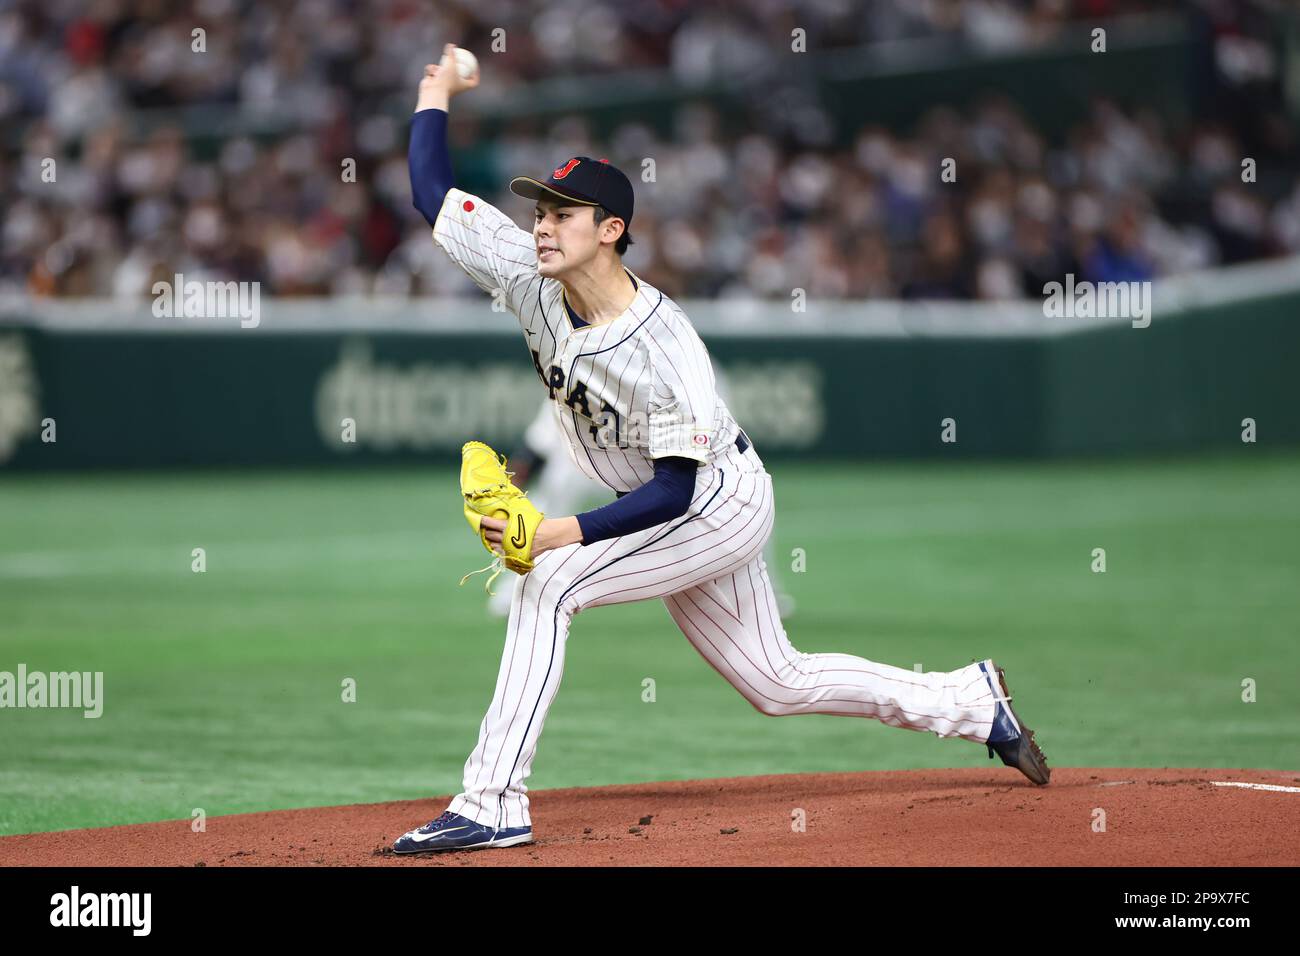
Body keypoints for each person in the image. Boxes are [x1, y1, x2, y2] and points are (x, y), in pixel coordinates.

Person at [392, 45, 1049, 855]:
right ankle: (970, 702)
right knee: (777, 682)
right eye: (539, 210)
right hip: (669, 501)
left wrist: (552, 532)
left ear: (611, 230)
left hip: (713, 501)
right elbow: (430, 192)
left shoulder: (663, 346)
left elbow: (673, 494)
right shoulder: (529, 273)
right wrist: (435, 89)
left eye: (561, 213)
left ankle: (493, 801)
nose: (541, 226)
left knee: (545, 586)